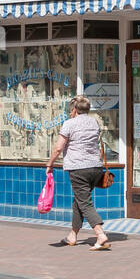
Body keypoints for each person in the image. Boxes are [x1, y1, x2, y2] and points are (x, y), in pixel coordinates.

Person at [45, 95, 111, 250]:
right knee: (79, 201)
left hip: (78, 169)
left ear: (74, 109)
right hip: (95, 168)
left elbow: (58, 148)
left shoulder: (69, 124)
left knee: (85, 203)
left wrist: (50, 164)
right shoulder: (94, 122)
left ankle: (100, 235)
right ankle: (72, 236)